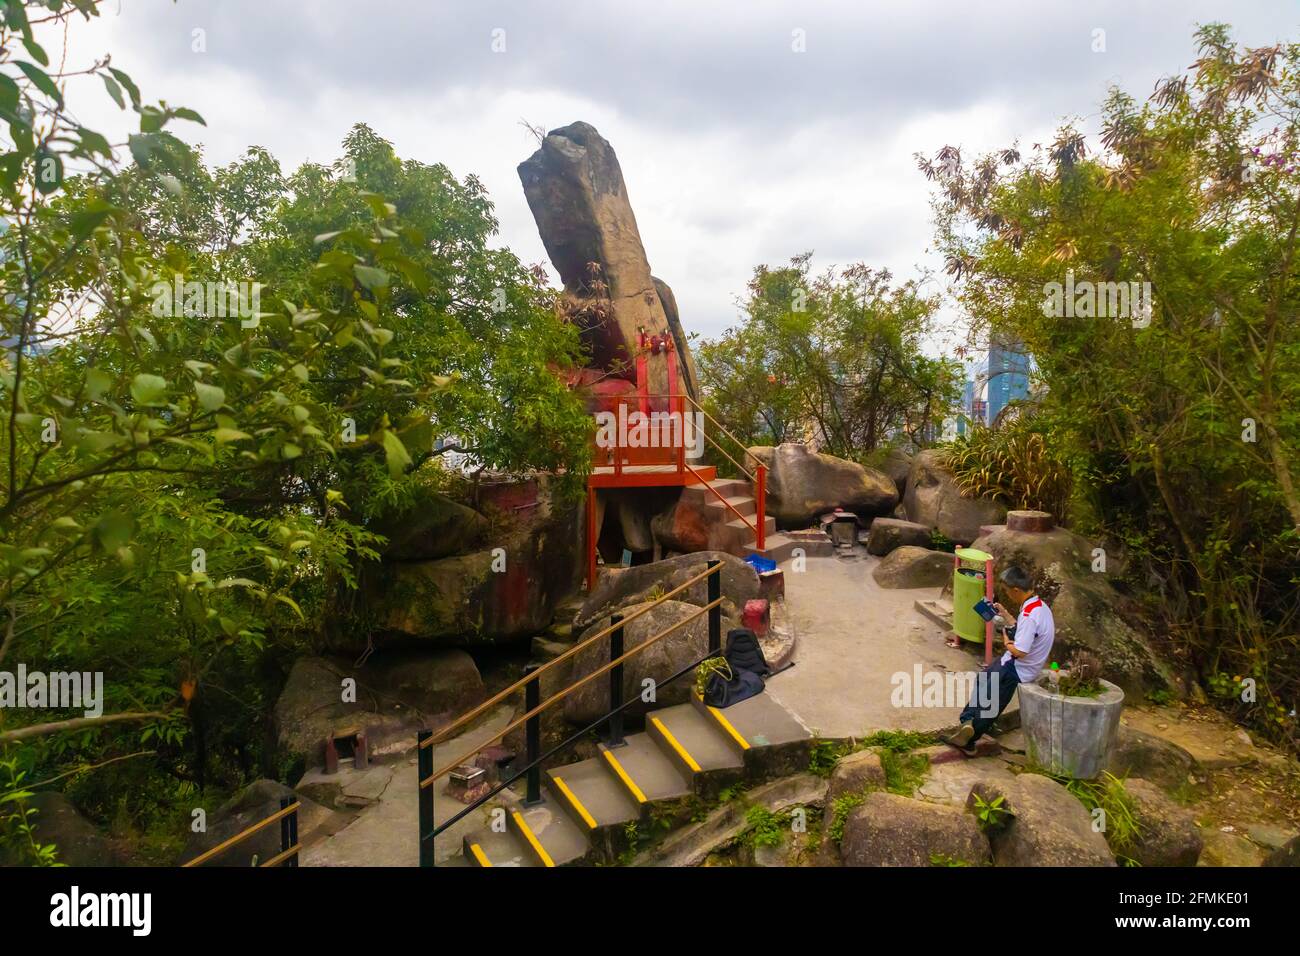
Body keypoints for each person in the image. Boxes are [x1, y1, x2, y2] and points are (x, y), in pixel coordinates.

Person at [946, 565, 1054, 754]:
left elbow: (1020, 651)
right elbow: (1021, 628)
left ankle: (970, 739)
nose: (1006, 594)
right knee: (983, 680)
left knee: (991, 700)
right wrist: (1005, 615)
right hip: (1012, 661)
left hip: (1017, 667)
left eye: (1006, 591)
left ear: (1016, 590)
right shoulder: (1038, 606)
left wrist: (1006, 640)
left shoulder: (1030, 615)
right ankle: (967, 721)